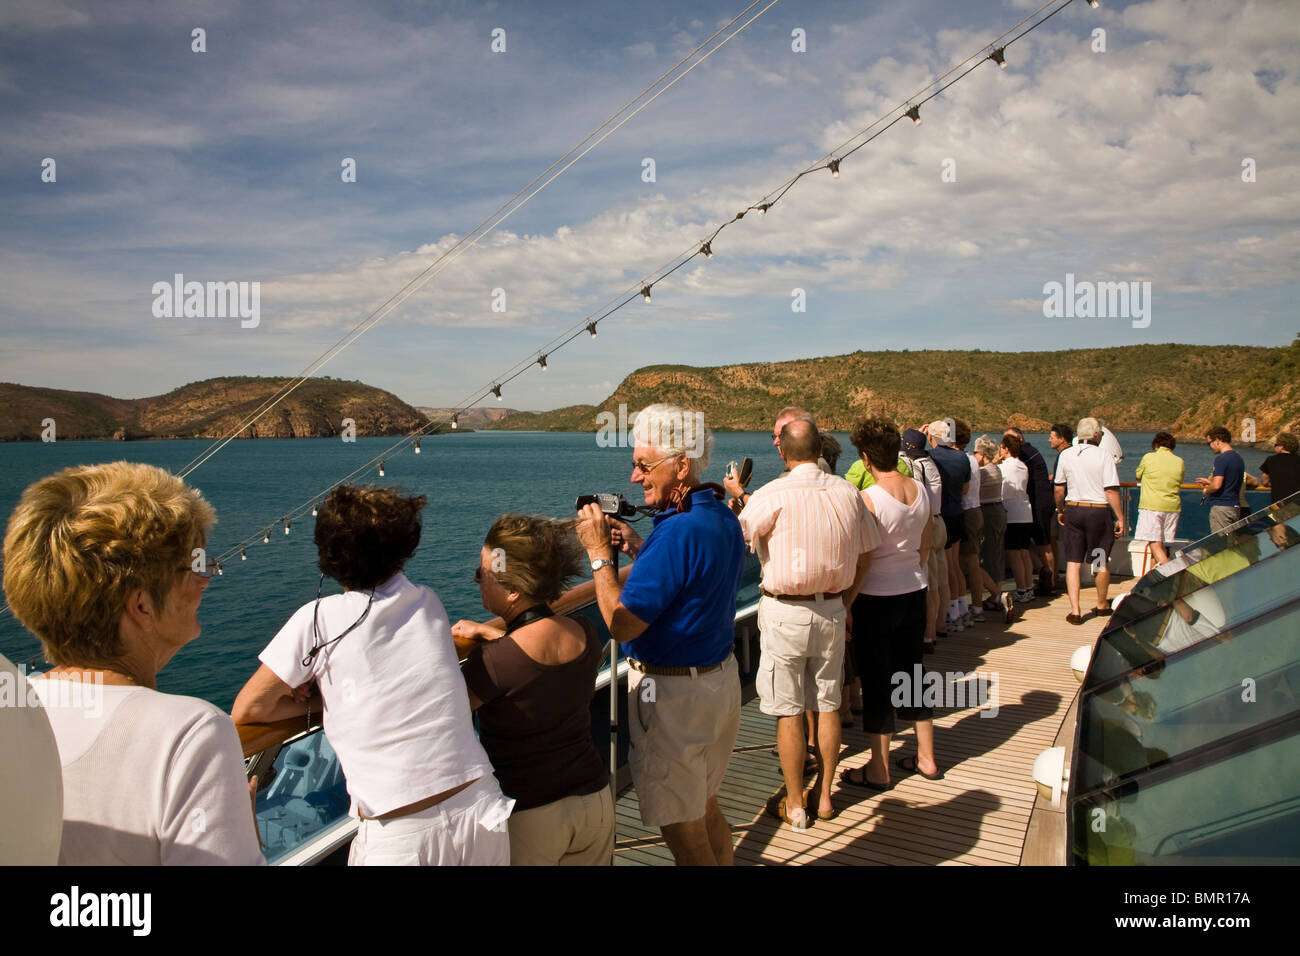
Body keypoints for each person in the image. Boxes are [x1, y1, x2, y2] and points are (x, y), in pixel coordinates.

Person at [233, 485, 511, 866]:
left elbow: (248, 711)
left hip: (401, 831)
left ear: (328, 557)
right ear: (402, 551)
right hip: (480, 806)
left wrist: (320, 698)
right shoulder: (427, 601)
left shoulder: (316, 620)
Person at [3, 461, 263, 865]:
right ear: (141, 605)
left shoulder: (14, 711)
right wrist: (245, 832)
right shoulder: (189, 734)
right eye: (192, 566)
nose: (205, 579)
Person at [575, 403, 744, 865]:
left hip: (673, 699)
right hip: (717, 682)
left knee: (683, 831)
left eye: (643, 466)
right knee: (706, 808)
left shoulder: (676, 534)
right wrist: (638, 546)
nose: (634, 477)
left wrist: (599, 556)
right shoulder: (720, 515)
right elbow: (687, 571)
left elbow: (621, 622)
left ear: (681, 465)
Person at [737, 419, 878, 828]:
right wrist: (846, 600)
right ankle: (827, 797)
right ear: (820, 449)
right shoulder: (847, 491)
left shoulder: (770, 494)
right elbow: (868, 550)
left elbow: (738, 538)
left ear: (783, 452)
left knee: (788, 711)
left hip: (785, 611)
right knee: (829, 703)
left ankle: (796, 803)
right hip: (832, 608)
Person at [452, 515, 613, 865]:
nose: (477, 581)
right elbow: (534, 658)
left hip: (532, 814)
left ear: (513, 589)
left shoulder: (493, 663)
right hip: (595, 799)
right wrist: (493, 634)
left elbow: (440, 719)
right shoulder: (584, 632)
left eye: (483, 575)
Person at [838, 419, 941, 791]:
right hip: (914, 590)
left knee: (877, 680)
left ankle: (879, 767)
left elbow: (861, 559)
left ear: (866, 458)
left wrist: (848, 602)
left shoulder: (868, 499)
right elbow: (925, 544)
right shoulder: (919, 491)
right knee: (913, 671)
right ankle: (926, 757)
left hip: (875, 597)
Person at [1054, 418, 1126, 624]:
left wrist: (1060, 509)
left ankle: (1075, 611)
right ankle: (1102, 605)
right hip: (1098, 512)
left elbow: (1059, 488)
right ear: (1096, 435)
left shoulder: (1066, 455)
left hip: (1073, 510)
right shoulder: (1104, 456)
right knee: (1100, 559)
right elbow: (1110, 490)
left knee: (1073, 562)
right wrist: (1120, 517)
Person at [901, 428, 948, 646]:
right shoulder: (930, 463)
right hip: (939, 522)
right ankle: (937, 627)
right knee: (938, 582)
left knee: (926, 584)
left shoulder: (914, 466)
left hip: (925, 526)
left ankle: (925, 636)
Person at [928, 420, 970, 633]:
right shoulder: (962, 457)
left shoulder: (931, 458)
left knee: (946, 569)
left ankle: (951, 614)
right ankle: (962, 608)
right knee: (956, 565)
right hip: (958, 512)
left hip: (942, 515)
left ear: (931, 438)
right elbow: (965, 488)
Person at [1006, 426, 1057, 596]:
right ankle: (1045, 574)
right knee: (1029, 545)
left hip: (1038, 503)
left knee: (1043, 544)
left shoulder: (1022, 456)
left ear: (1018, 439)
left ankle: (1050, 581)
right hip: (1035, 503)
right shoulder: (1030, 452)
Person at [1134, 432, 1184, 566]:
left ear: (1156, 444)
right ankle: (1154, 579)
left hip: (1152, 507)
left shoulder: (1149, 457)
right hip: (1172, 508)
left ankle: (1171, 573)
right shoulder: (1179, 461)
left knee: (1154, 544)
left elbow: (1138, 474)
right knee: (1159, 545)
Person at [997, 433, 1035, 612]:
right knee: (1024, 552)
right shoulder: (1023, 466)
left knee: (1014, 553)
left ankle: (1020, 588)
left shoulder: (1005, 467)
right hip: (1025, 512)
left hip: (1011, 512)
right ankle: (1028, 587)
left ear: (1005, 448)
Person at [954, 419, 987, 623]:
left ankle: (972, 608)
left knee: (963, 563)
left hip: (965, 512)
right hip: (976, 510)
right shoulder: (972, 459)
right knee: (971, 561)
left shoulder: (959, 459)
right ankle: (977, 604)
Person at [973, 435, 1008, 614]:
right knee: (996, 555)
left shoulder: (984, 472)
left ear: (982, 453)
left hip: (987, 512)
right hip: (999, 510)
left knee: (984, 557)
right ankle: (995, 594)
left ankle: (996, 595)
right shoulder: (997, 469)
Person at [1196, 426, 1246, 533]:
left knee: (1221, 543)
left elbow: (1217, 485)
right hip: (1235, 507)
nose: (1209, 446)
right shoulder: (1238, 458)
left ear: (1217, 441)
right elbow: (1230, 481)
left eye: (1209, 443)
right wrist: (1209, 482)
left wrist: (1206, 490)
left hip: (1221, 508)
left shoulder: (1221, 459)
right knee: (1231, 542)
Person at [1260, 431, 1300, 504]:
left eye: (1276, 445)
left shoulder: (1271, 460)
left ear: (1281, 447)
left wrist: (1277, 483)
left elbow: (1264, 482)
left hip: (1279, 504)